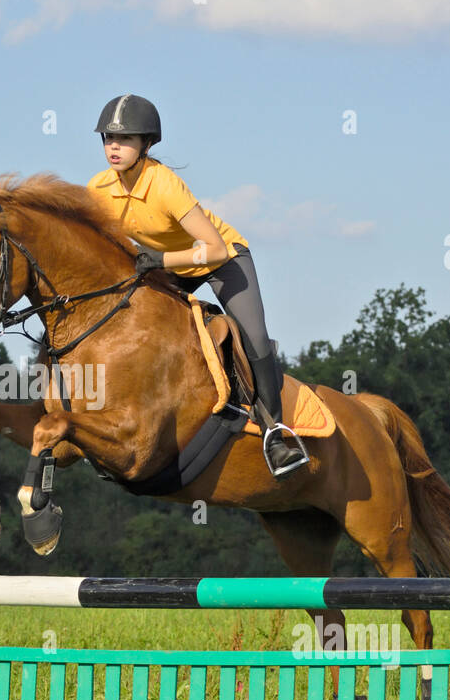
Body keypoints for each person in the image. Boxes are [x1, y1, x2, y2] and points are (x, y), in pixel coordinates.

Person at [85, 93, 308, 478]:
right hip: (168, 264)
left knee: (253, 336)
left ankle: (276, 432)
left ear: (147, 144)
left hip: (223, 260)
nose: (114, 147)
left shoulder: (165, 185)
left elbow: (215, 247)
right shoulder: (98, 189)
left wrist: (160, 261)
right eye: (108, 139)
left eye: (125, 140)